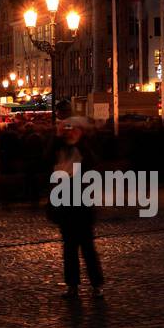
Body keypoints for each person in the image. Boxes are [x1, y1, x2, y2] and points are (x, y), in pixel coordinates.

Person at [47, 120, 105, 299]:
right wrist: (57, 137)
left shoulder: (84, 150)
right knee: (70, 248)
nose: (68, 133)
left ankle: (96, 285)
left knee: (87, 247)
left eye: (72, 131)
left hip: (82, 205)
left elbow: (92, 162)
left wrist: (79, 140)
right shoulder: (58, 150)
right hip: (65, 204)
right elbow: (46, 157)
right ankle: (72, 285)